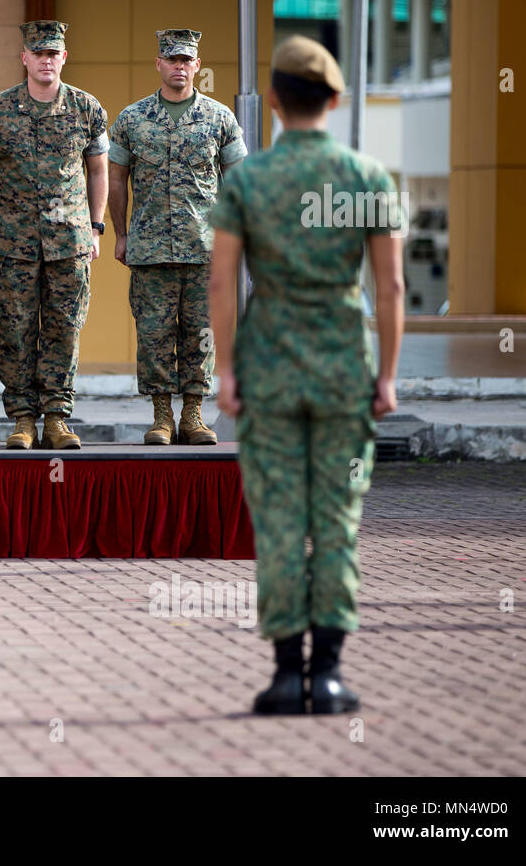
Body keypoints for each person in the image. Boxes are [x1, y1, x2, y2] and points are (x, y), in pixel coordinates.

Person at [207, 35, 405, 715]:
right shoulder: (369, 177)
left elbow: (222, 284)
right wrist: (387, 377)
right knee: (338, 520)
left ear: (273, 101)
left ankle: (288, 674)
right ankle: (331, 674)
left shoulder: (246, 180)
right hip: (345, 370)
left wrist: (226, 372)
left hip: (268, 371)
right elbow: (393, 287)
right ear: (336, 99)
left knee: (281, 521)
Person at [0, 20, 108, 450]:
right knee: (15, 330)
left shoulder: (88, 109)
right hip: (14, 242)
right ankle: (23, 419)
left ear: (64, 58)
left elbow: (99, 168)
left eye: (54, 53)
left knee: (64, 329)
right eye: (39, 53)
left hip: (70, 242)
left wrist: (97, 226)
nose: (46, 60)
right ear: (25, 58)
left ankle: (57, 418)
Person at [108, 29, 246, 445]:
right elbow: (116, 179)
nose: (179, 67)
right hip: (150, 250)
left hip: (206, 250)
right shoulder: (132, 119)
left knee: (202, 335)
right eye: (172, 60)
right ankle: (161, 417)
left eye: (187, 60)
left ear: (197, 66)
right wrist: (120, 234)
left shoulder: (219, 117)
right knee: (154, 334)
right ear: (159, 64)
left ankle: (193, 415)